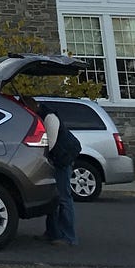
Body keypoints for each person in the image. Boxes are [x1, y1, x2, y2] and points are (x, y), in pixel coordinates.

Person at [35, 99, 80, 247]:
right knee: (53, 197)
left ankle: (68, 236)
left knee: (63, 197)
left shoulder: (50, 118)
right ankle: (53, 232)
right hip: (57, 157)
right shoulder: (42, 116)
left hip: (63, 158)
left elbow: (51, 143)